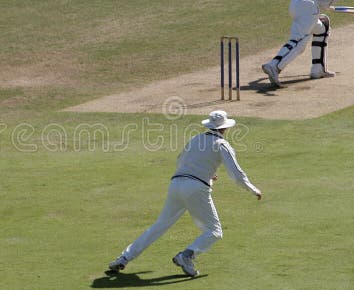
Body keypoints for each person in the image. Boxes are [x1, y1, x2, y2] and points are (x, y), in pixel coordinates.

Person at [108, 110, 262, 277]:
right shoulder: (222, 144)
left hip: (176, 184)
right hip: (195, 187)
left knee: (159, 225)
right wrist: (253, 189)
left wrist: (205, 174)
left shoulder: (195, 139)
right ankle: (186, 256)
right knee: (215, 231)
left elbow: (181, 160)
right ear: (225, 128)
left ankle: (124, 257)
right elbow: (236, 174)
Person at [261, 0, 354, 88]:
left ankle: (318, 69)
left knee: (322, 27)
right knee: (299, 42)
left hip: (298, 4)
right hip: (308, 6)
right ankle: (274, 65)